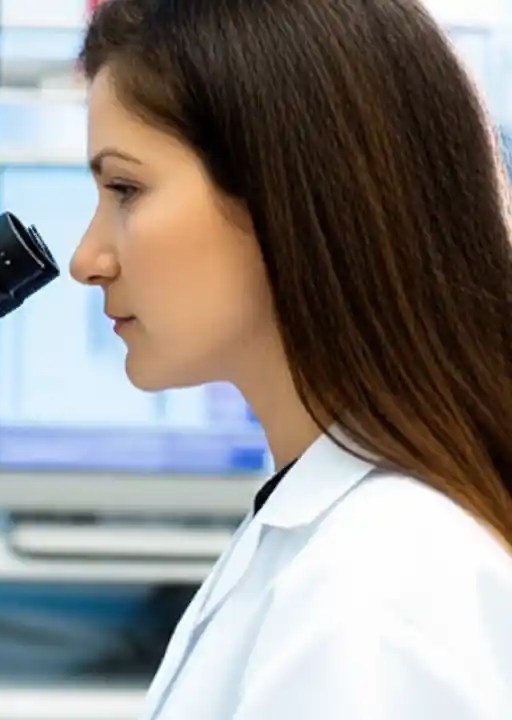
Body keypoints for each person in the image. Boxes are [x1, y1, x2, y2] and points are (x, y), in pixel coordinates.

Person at [69, 0, 512, 717]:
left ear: (293, 192)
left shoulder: (378, 593)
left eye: (125, 189)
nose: (86, 259)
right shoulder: (328, 525)